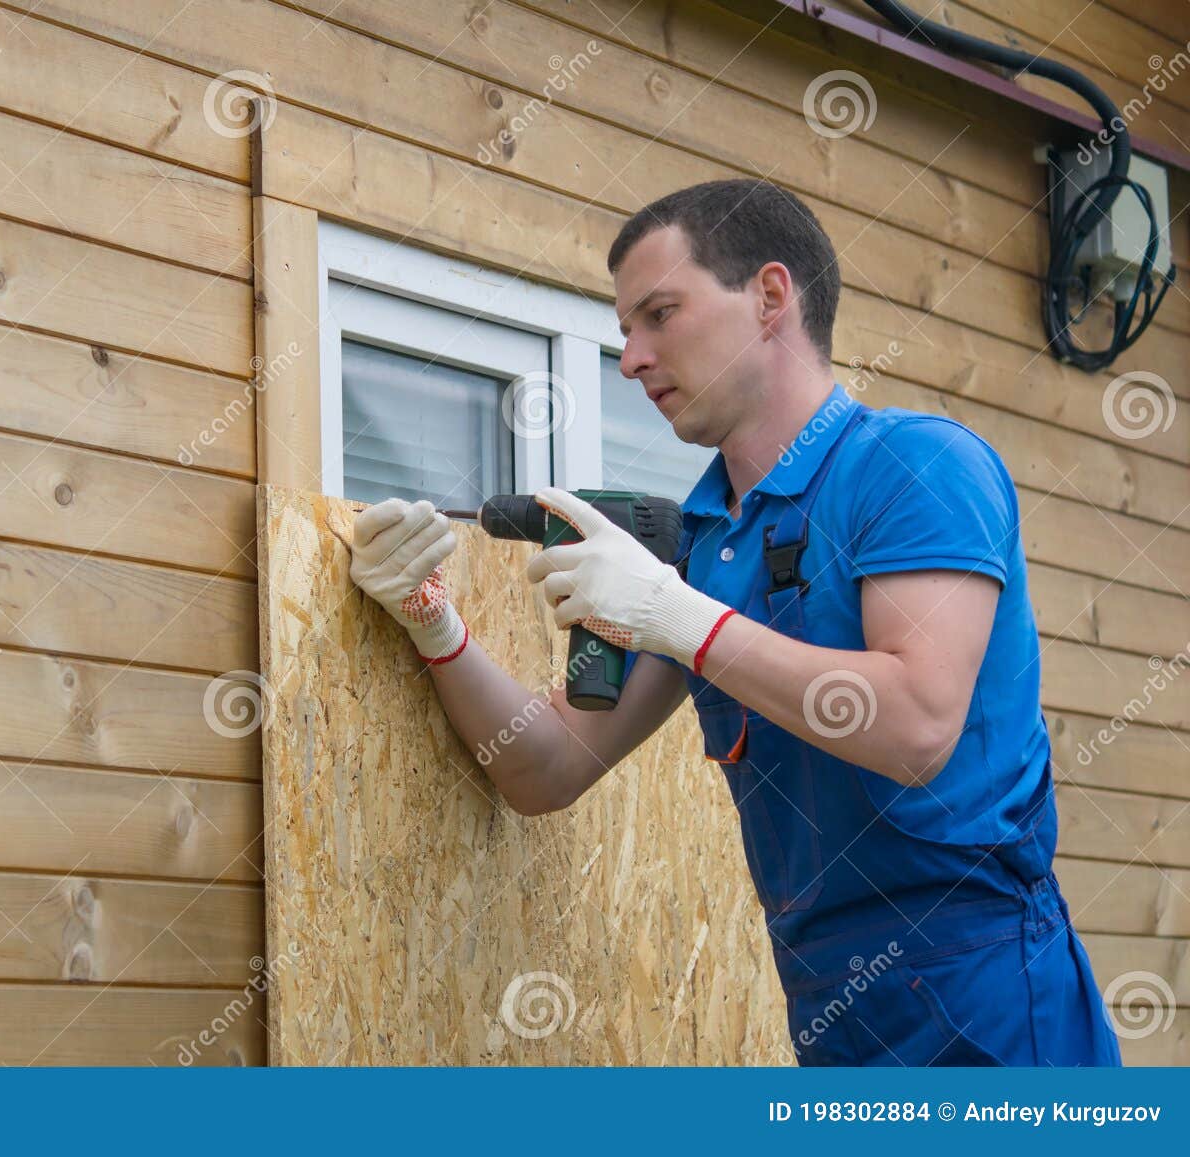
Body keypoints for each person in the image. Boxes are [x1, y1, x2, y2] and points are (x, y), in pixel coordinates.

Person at [346, 179, 1121, 1067]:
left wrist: (673, 614)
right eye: (624, 329)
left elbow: (916, 725)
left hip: (985, 992)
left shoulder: (916, 466)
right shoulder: (702, 545)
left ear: (769, 297)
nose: (632, 358)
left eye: (659, 314)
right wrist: (429, 614)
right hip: (827, 998)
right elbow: (546, 766)